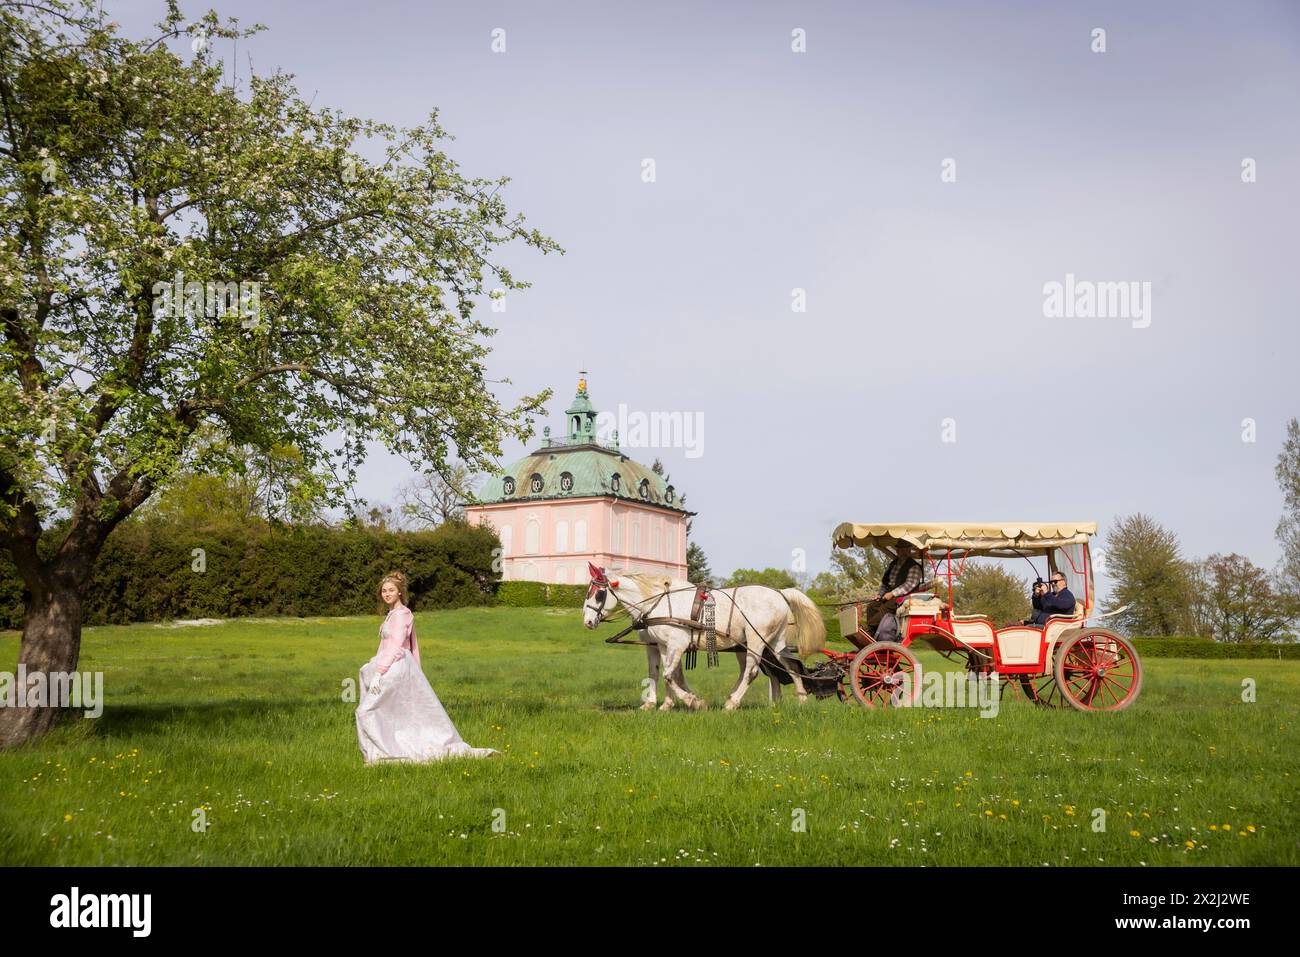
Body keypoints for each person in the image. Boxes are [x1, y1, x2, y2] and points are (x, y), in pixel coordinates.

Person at [355, 571, 498, 764]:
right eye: (384, 591)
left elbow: (397, 645)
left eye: (391, 590)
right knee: (390, 712)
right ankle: (387, 750)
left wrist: (379, 673)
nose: (386, 594)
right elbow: (386, 646)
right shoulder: (392, 615)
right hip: (389, 665)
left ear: (399, 593)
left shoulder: (402, 615)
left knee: (366, 710)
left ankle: (386, 752)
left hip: (394, 669)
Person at [858, 541, 924, 646]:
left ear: (909, 551)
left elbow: (909, 585)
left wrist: (892, 593)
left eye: (906, 549)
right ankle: (874, 635)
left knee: (885, 609)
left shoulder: (914, 567)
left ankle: (868, 631)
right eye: (901, 549)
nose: (903, 552)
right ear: (897, 551)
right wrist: (880, 595)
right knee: (872, 606)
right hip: (890, 595)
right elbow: (885, 583)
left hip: (904, 597)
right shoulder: (893, 564)